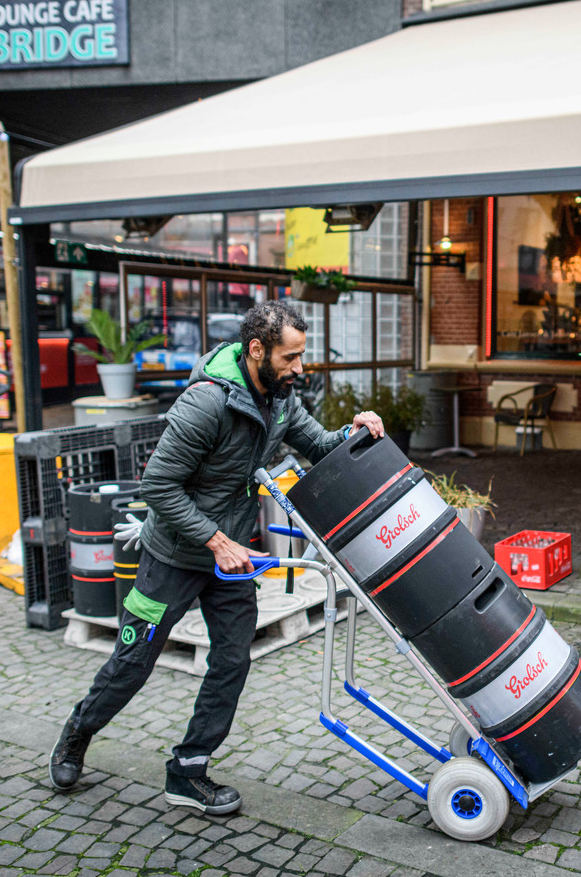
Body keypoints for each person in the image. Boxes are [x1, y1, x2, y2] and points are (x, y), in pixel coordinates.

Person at [48, 300, 384, 815]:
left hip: (231, 561)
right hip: (175, 556)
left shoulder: (280, 400)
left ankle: (188, 769)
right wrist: (214, 540)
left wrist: (356, 431)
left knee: (231, 660)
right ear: (257, 350)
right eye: (290, 357)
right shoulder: (206, 404)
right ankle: (78, 731)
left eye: (300, 356)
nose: (299, 368)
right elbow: (158, 485)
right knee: (133, 662)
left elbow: (318, 444)